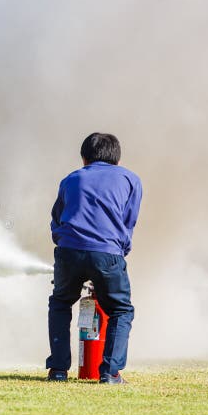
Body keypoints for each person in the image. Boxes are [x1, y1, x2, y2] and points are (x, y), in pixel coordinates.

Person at [46, 133, 142, 384]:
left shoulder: (70, 179)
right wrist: (118, 252)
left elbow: (57, 219)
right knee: (120, 310)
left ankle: (57, 371)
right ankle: (109, 373)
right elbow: (128, 221)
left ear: (84, 158)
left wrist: (65, 246)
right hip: (108, 253)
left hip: (69, 250)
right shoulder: (131, 179)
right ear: (117, 159)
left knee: (60, 303)